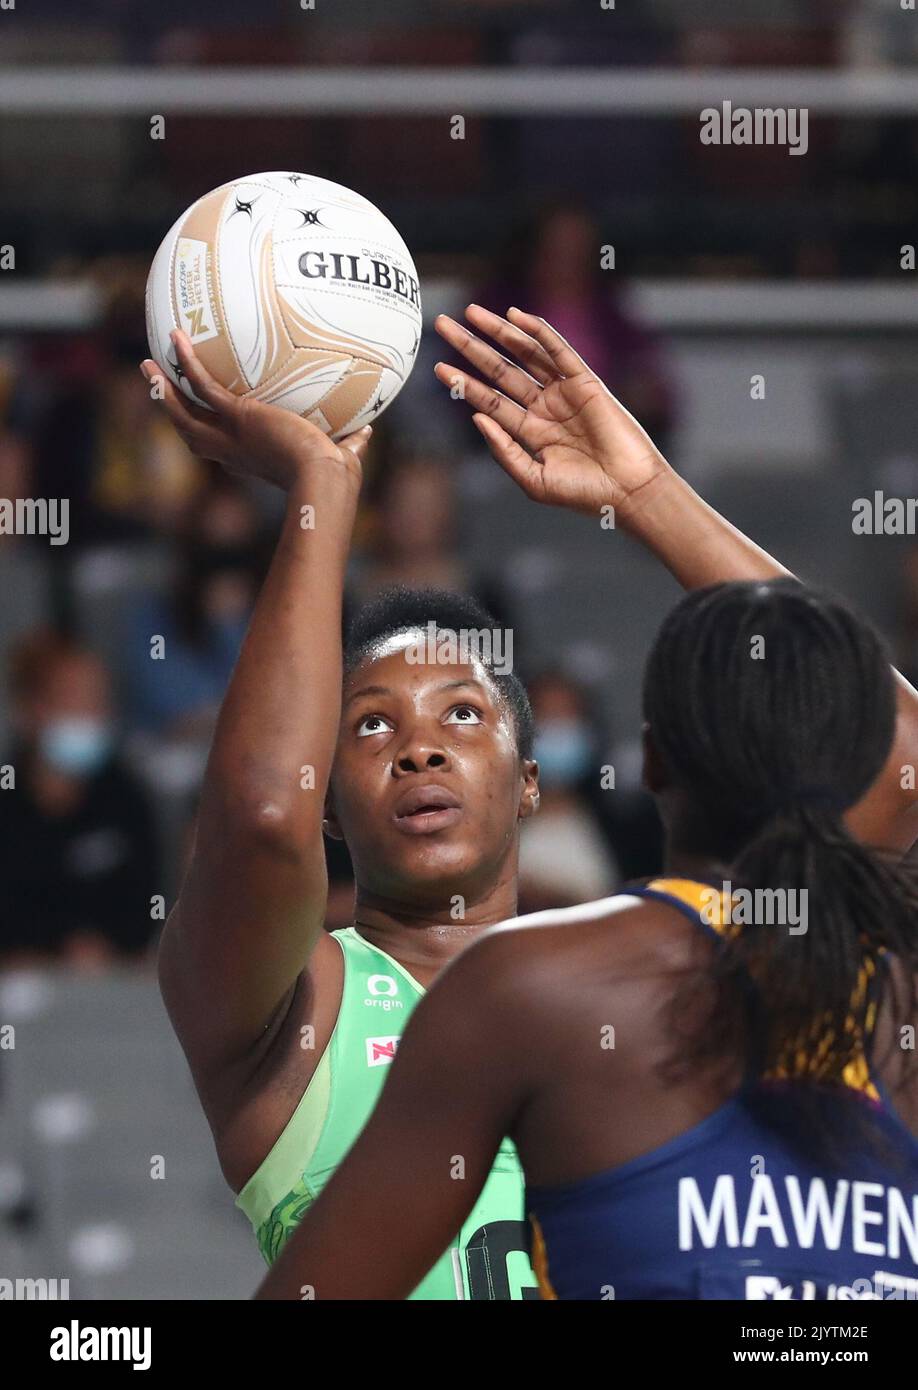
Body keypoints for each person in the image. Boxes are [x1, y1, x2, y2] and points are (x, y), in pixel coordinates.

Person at [147, 308, 918, 1301]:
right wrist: (323, 498)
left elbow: (890, 756)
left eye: (462, 712)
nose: (418, 743)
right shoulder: (299, 1010)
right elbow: (258, 815)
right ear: (326, 802)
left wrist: (645, 494)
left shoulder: (638, 982)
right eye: (370, 727)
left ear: (530, 782)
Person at [0, 630, 161, 969]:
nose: (91, 714)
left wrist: (109, 953)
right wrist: (53, 954)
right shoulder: (8, 804)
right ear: (32, 710)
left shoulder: (126, 798)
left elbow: (149, 907)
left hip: (114, 984)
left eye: (99, 701)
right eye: (74, 700)